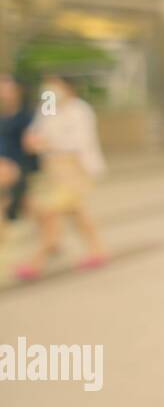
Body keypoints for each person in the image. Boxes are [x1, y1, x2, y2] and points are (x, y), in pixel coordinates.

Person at [14, 73, 107, 280]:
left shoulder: (79, 110)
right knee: (76, 213)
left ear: (68, 87)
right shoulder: (48, 108)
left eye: (55, 86)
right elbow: (35, 131)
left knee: (51, 212)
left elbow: (80, 142)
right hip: (53, 169)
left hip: (74, 169)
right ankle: (96, 250)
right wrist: (33, 140)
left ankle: (37, 260)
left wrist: (48, 144)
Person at [0, 74, 38, 232]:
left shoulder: (27, 116)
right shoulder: (4, 116)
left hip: (20, 164)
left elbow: (31, 145)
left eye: (6, 87)